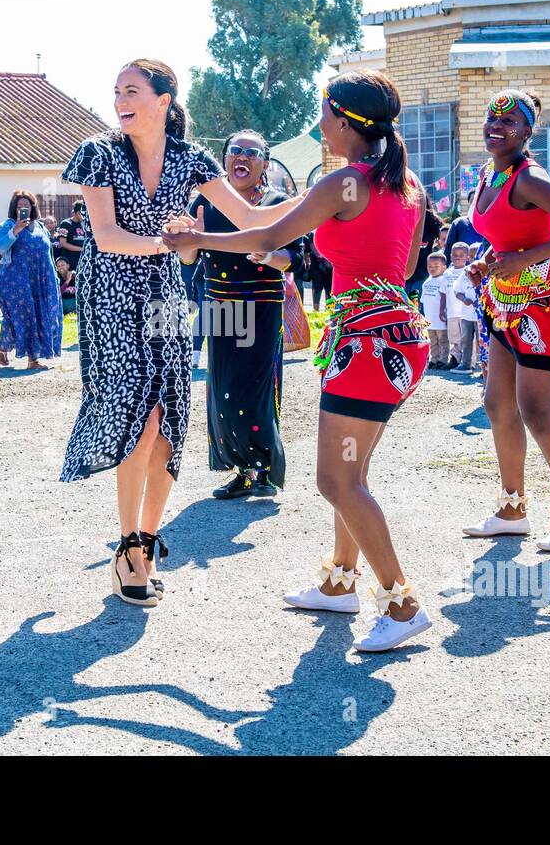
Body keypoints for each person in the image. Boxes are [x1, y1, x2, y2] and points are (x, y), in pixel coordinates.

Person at [165, 70, 433, 652]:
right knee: (351, 475)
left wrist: (197, 241)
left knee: (336, 479)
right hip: (394, 334)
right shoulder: (407, 184)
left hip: (367, 343)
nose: (318, 126)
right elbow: (408, 263)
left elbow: (265, 235)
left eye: (323, 114)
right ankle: (340, 581)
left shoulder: (345, 183)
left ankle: (402, 603)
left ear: (342, 118)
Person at [61, 59, 227, 609]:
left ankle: (148, 542)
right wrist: (175, 241)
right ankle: (128, 546)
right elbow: (106, 237)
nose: (119, 101)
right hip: (110, 292)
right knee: (137, 411)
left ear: (163, 99)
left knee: (168, 414)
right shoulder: (99, 153)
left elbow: (247, 213)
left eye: (131, 91)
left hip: (164, 296)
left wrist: (310, 213)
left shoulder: (190, 159)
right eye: (116, 92)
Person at [460, 89, 550, 549]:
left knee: (537, 410)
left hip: (547, 301)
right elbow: (507, 233)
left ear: (526, 132)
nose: (495, 127)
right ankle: (512, 508)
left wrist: (526, 260)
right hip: (504, 297)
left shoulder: (529, 178)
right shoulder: (489, 173)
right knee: (497, 404)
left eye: (509, 122)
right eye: (490, 118)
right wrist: (489, 258)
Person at [180, 129, 298, 500]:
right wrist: (189, 238)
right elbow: (189, 258)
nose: (241, 157)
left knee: (255, 387)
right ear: (225, 158)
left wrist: (269, 256)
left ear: (264, 162)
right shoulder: (206, 204)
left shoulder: (279, 202)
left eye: (251, 152)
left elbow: (294, 258)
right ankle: (242, 468)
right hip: (218, 305)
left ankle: (261, 469)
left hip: (261, 309)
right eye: (234, 150)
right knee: (223, 388)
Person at [0, 189, 62, 369]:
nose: (23, 209)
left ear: (33, 207)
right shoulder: (8, 225)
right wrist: (15, 231)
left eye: (26, 205)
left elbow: (48, 253)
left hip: (41, 281)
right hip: (16, 281)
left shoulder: (40, 227)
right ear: (14, 209)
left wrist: (54, 277)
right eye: (19, 206)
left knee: (40, 314)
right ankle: (11, 349)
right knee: (22, 316)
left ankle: (32, 359)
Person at [420, 251, 450, 370]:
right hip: (429, 318)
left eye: (436, 266)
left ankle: (443, 360)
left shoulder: (443, 280)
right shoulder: (427, 281)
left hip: (440, 319)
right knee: (432, 341)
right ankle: (434, 359)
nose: (432, 269)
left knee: (442, 340)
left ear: (444, 268)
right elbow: (424, 300)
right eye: (430, 266)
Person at [56, 201, 87, 269]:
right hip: (70, 262)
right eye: (84, 213)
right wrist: (82, 249)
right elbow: (62, 243)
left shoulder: (85, 224)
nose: (86, 216)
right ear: (78, 213)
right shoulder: (65, 224)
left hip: (82, 261)